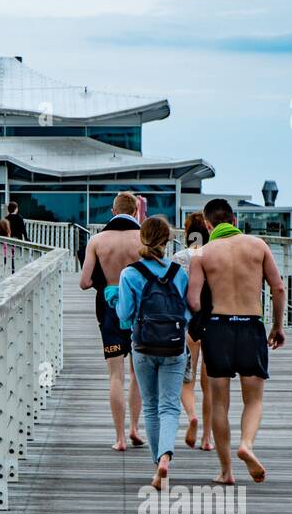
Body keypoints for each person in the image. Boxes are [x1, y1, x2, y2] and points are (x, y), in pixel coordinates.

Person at [187, 198, 285, 485]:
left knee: (219, 403)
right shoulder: (258, 246)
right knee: (253, 400)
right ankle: (247, 445)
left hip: (217, 329)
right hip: (251, 326)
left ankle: (226, 471)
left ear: (207, 225)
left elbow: (193, 301)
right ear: (235, 221)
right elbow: (278, 287)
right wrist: (278, 327)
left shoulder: (201, 253)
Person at [117, 216, 192, 490]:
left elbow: (125, 315)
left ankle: (157, 462)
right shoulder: (179, 272)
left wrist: (116, 303)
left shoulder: (130, 273)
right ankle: (166, 457)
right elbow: (186, 312)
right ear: (167, 240)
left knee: (150, 405)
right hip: (174, 345)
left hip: (143, 346)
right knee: (170, 406)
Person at [79, 192, 146, 450]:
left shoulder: (97, 240)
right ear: (136, 212)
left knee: (115, 376)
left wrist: (107, 286)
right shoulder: (144, 239)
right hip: (141, 310)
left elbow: (84, 282)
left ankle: (119, 438)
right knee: (137, 373)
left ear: (112, 211)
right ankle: (134, 429)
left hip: (110, 310)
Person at [172, 212, 212, 451]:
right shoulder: (214, 256)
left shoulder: (179, 258)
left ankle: (191, 416)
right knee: (210, 384)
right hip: (212, 322)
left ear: (188, 233)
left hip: (186, 324)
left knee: (187, 379)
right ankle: (207, 438)